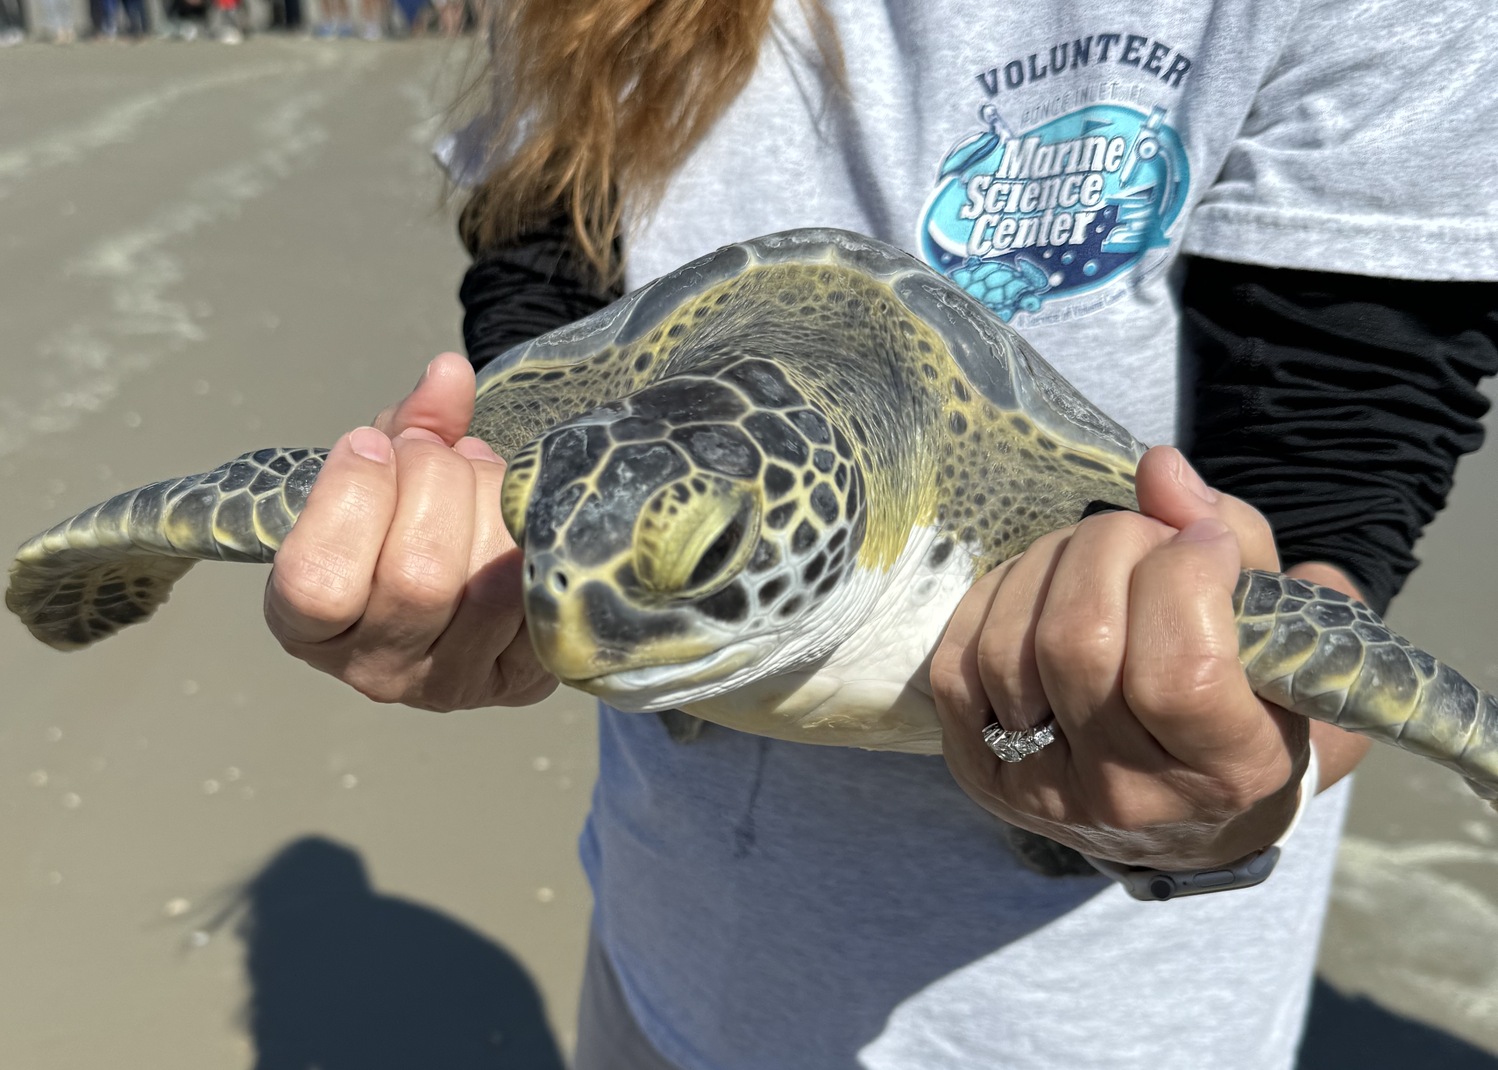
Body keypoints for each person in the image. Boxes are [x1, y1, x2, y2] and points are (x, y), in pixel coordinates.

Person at [265, 2, 1498, 1067]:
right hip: (673, 948)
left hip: (1094, 1021)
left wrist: (1229, 785)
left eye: (690, 561)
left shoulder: (1009, 502)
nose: (571, 613)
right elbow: (541, 298)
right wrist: (473, 520)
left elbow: (1339, 473)